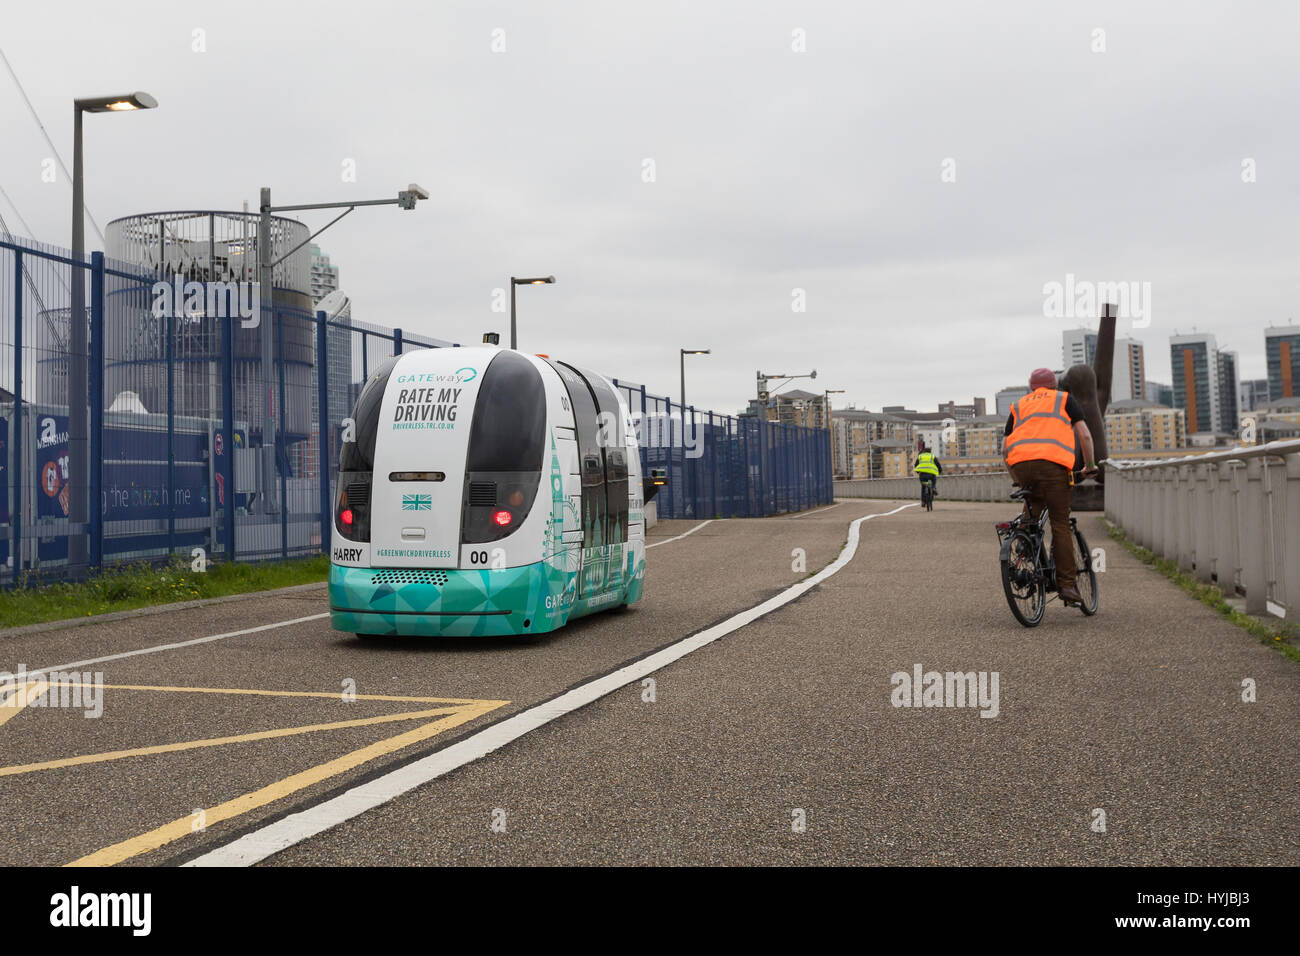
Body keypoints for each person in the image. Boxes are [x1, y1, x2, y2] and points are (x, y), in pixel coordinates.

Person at [1003, 368, 1098, 606]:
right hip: (1053, 467)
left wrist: (1016, 475)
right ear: (1054, 385)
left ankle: (1023, 545)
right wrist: (1090, 466)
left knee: (1033, 510)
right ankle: (1067, 585)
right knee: (1060, 523)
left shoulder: (1019, 405)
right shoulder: (1064, 399)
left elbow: (1005, 448)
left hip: (1023, 466)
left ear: (1032, 387)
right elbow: (1085, 436)